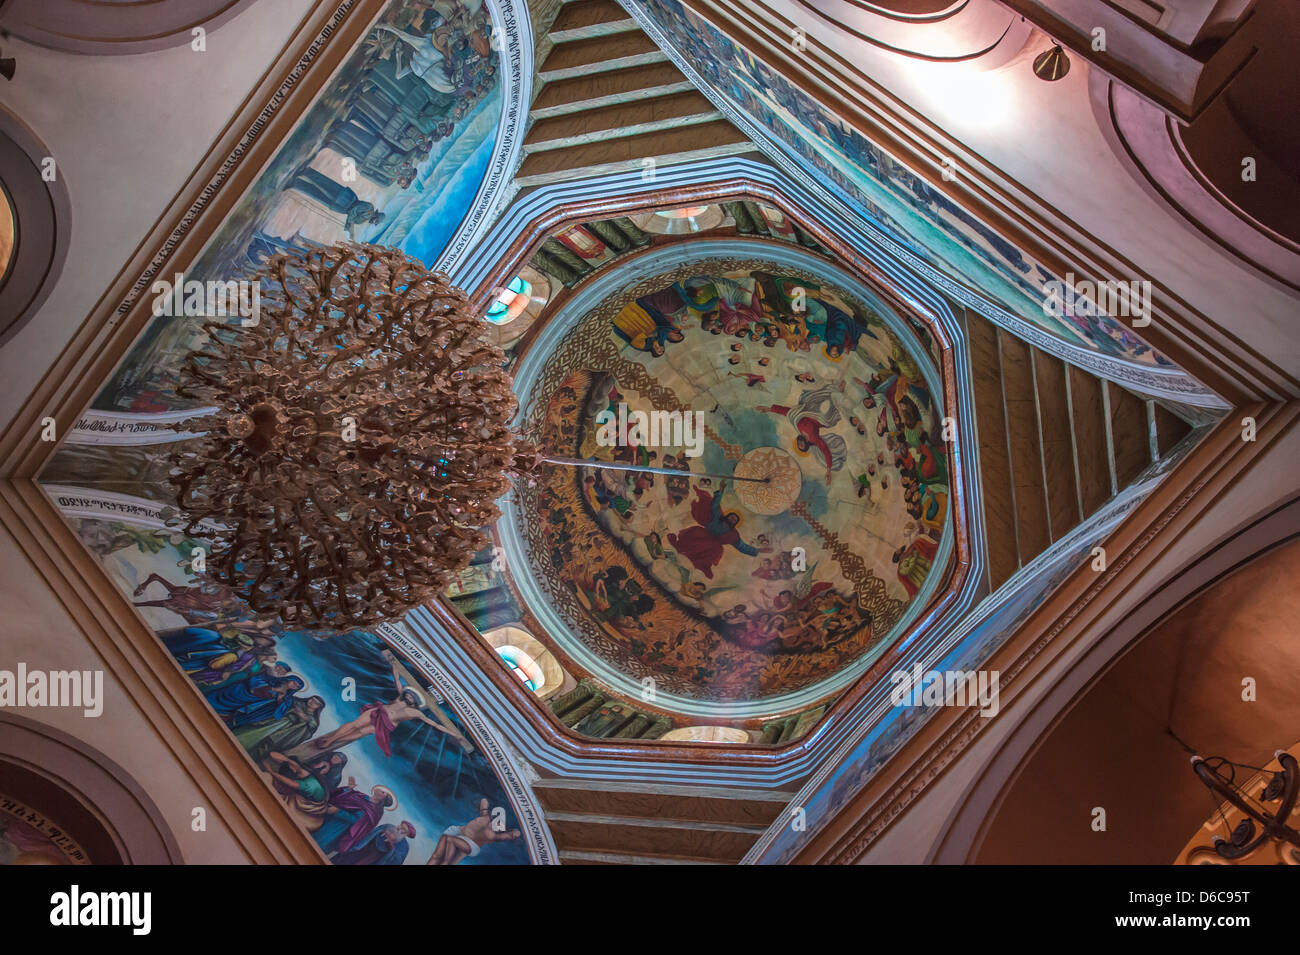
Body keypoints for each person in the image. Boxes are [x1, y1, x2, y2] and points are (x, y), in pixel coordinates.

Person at [303, 651, 467, 757]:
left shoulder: (416, 713)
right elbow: (397, 679)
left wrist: (455, 735)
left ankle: (334, 742)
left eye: (413, 699)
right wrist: (393, 663)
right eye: (410, 696)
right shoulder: (400, 696)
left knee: (361, 733)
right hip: (379, 712)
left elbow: (434, 724)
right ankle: (330, 741)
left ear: (416, 703)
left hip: (388, 724)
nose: (410, 699)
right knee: (355, 725)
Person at [666, 483, 759, 580]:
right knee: (691, 539)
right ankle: (678, 547)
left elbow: (741, 546)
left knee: (714, 551)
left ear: (735, 524)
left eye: (735, 520)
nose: (732, 519)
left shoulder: (732, 534)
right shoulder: (718, 517)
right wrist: (721, 491)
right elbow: (715, 505)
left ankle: (704, 567)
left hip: (713, 544)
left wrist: (756, 551)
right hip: (702, 534)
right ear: (727, 516)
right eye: (732, 517)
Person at [426, 798, 522, 865]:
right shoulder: (484, 816)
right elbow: (484, 801)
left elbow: (510, 835)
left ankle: (445, 862)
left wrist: (514, 833)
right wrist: (486, 806)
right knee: (436, 856)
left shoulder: (493, 835)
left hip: (469, 843)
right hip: (458, 832)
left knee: (449, 859)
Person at [334, 821, 416, 866]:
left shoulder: (404, 846)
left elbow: (397, 861)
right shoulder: (388, 826)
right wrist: (381, 832)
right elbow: (371, 833)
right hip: (364, 848)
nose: (399, 828)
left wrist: (391, 846)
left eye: (403, 828)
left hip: (374, 859)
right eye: (400, 825)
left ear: (407, 834)